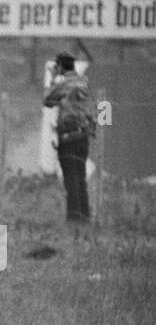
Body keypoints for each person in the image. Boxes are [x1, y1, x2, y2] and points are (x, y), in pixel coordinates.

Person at [43, 52, 95, 224]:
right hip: (83, 137)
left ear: (60, 67)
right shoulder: (84, 83)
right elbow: (97, 106)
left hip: (68, 137)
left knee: (71, 179)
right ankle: (84, 216)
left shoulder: (64, 84)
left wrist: (52, 78)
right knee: (80, 178)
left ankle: (73, 219)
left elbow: (47, 100)